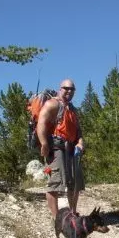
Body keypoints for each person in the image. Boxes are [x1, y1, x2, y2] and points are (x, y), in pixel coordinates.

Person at [37, 79, 85, 219]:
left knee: (75, 183)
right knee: (55, 183)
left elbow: (78, 132)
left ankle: (72, 212)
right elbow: (41, 123)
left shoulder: (72, 109)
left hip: (71, 148)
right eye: (66, 88)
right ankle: (56, 218)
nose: (69, 91)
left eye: (72, 89)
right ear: (60, 88)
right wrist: (44, 144)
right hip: (56, 147)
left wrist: (80, 143)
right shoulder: (52, 104)